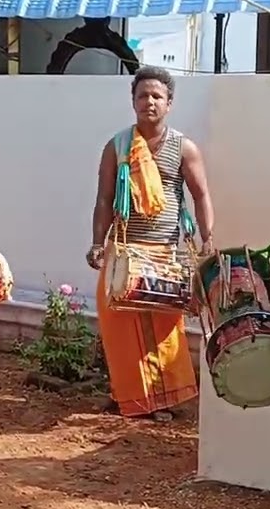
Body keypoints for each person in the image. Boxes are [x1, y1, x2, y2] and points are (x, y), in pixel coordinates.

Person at [87, 66, 214, 421]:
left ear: (169, 103)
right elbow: (104, 198)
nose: (149, 102)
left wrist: (208, 239)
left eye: (157, 96)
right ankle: (128, 396)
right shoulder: (117, 146)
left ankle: (163, 400)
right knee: (118, 327)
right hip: (124, 249)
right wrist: (98, 243)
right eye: (143, 96)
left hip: (164, 251)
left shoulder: (184, 147)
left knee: (163, 330)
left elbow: (201, 195)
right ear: (133, 102)